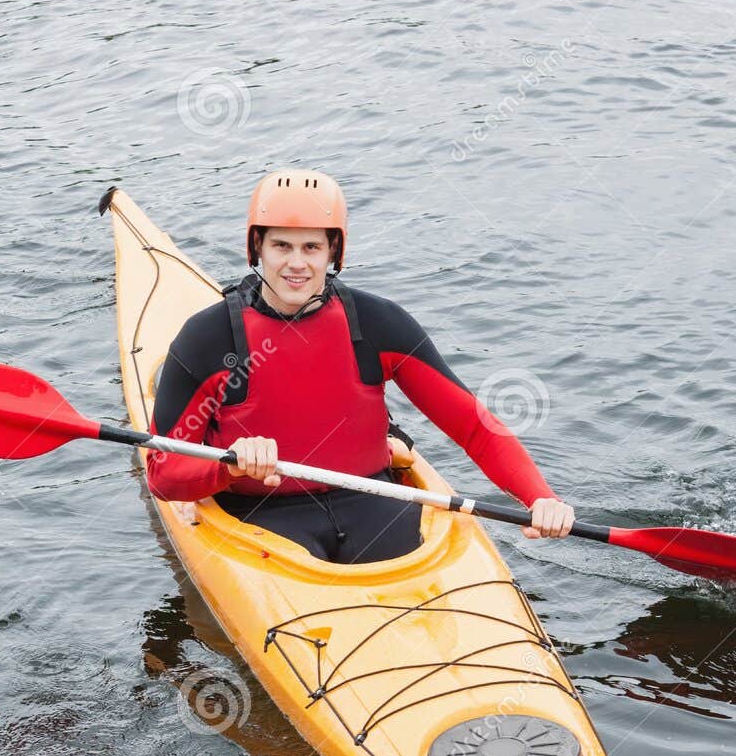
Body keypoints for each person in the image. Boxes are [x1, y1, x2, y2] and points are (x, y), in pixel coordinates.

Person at [148, 169, 574, 564]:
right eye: (281, 245)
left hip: (373, 499)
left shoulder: (375, 324)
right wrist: (228, 465)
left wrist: (540, 499)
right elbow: (164, 476)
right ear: (256, 247)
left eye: (312, 247)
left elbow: (474, 427)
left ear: (335, 250)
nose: (297, 263)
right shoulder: (208, 339)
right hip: (258, 514)